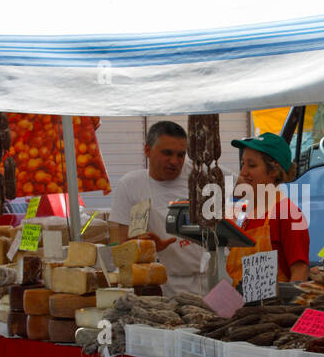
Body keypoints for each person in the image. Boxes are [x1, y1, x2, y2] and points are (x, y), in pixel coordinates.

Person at [109, 120, 208, 296]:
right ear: (147, 150)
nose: (174, 161)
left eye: (181, 155)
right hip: (170, 284)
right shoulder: (131, 186)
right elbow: (119, 246)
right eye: (167, 153)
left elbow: (250, 189)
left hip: (213, 278)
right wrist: (144, 247)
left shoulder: (202, 174)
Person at [226, 132, 309, 285]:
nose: (243, 172)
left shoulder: (289, 214)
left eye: (252, 165)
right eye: (242, 163)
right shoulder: (244, 211)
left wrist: (288, 308)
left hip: (272, 307)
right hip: (237, 304)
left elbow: (300, 271)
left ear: (274, 171)